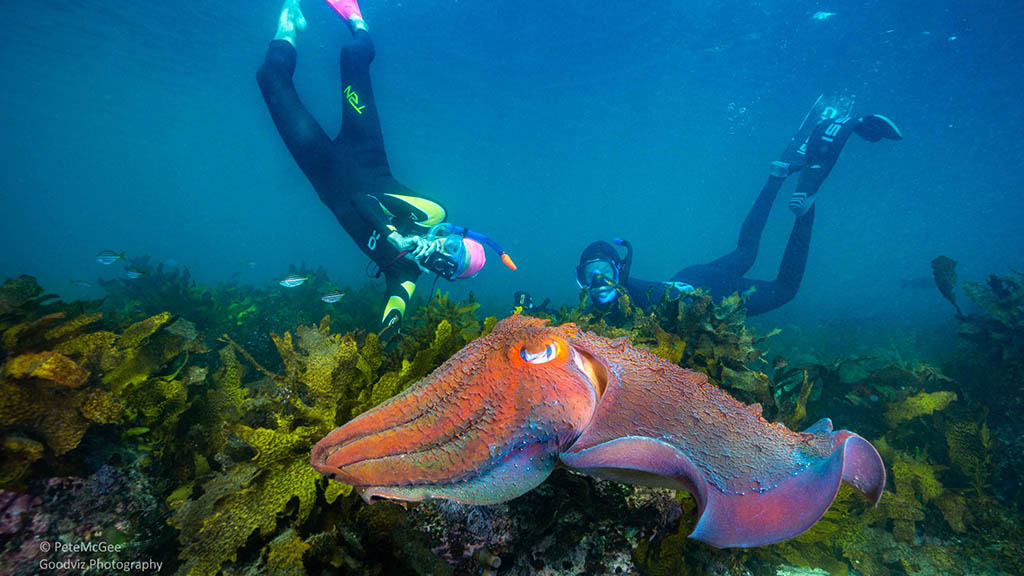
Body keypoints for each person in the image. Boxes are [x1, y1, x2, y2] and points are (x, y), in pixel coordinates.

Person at [257, 0, 513, 338]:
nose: (441, 256)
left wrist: (383, 340)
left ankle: (290, 22)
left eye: (448, 268)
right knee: (352, 56)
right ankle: (358, 22)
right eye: (452, 249)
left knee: (270, 77)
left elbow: (394, 313)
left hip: (322, 171)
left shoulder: (404, 274)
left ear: (444, 276)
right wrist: (395, 235)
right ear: (451, 236)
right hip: (362, 148)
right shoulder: (433, 214)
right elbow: (364, 200)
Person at [576, 96, 902, 316]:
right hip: (688, 275)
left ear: (620, 271)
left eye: (604, 273)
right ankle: (776, 176)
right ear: (579, 281)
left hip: (710, 293)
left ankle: (806, 212)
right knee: (746, 252)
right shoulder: (596, 308)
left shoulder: (628, 298)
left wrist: (805, 217)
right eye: (590, 276)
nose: (598, 283)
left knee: (784, 289)